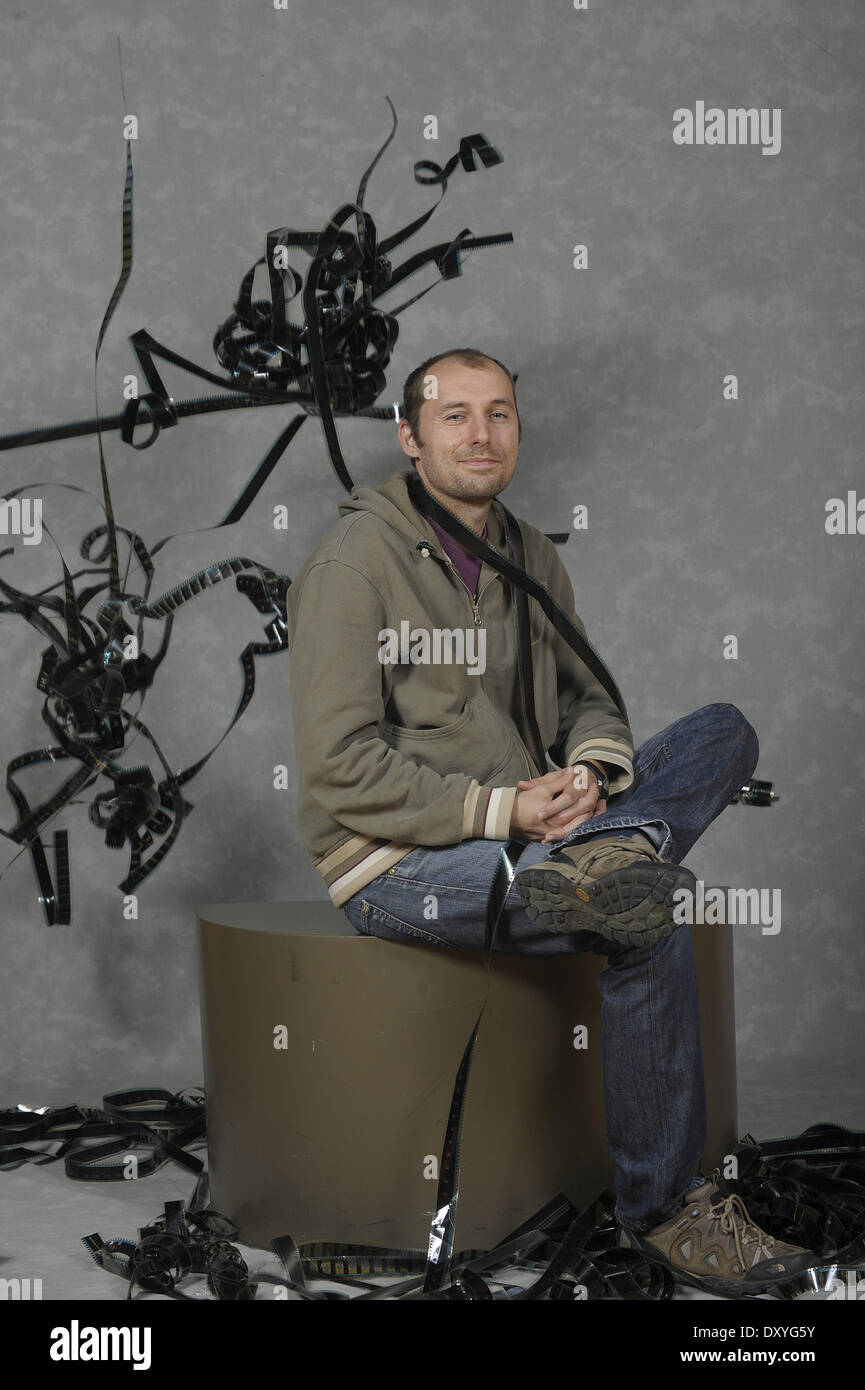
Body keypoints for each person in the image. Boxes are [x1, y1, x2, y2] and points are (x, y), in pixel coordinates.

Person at [285, 346, 818, 1296]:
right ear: (410, 437)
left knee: (720, 732)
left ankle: (612, 845)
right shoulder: (348, 566)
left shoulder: (529, 552)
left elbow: (589, 698)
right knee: (642, 912)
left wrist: (590, 768)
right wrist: (502, 807)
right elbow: (337, 769)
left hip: (545, 833)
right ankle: (661, 1213)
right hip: (400, 863)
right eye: (454, 416)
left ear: (518, 433)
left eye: (498, 414)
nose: (480, 433)